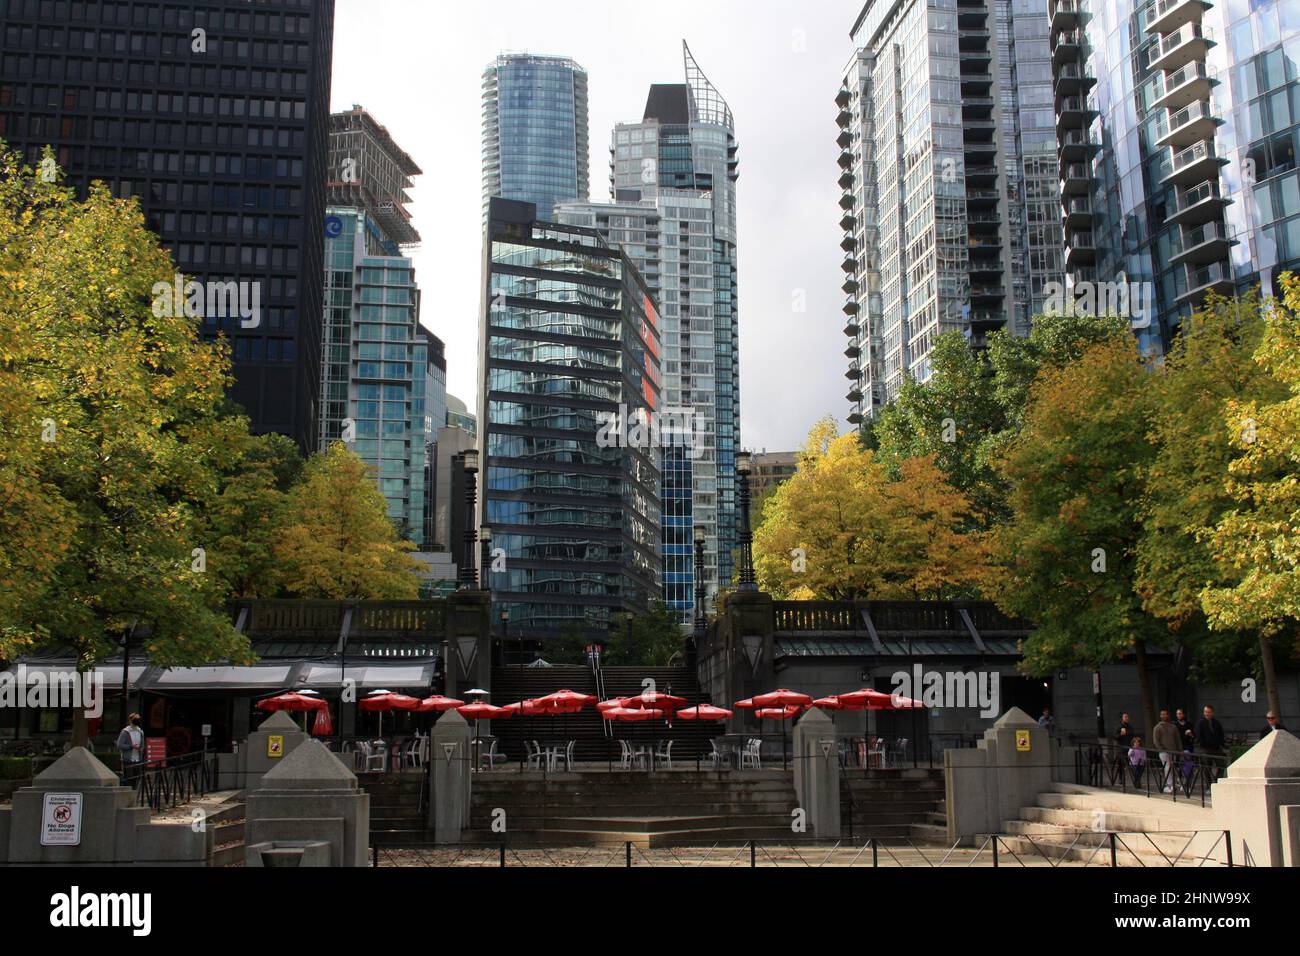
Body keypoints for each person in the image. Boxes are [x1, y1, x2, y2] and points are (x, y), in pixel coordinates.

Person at [1152, 709, 1181, 794]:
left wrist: (1180, 750)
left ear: (1168, 715)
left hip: (1174, 751)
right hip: (1163, 751)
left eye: (1165, 714)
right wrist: (1161, 748)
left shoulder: (1173, 727)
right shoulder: (1157, 727)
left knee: (1173, 768)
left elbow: (1177, 739)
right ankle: (1169, 785)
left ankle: (1173, 784)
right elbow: (1156, 740)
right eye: (1162, 714)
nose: (1164, 716)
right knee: (1167, 767)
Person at [1194, 705, 1227, 781]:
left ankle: (1217, 781)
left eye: (1209, 712)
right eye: (1205, 712)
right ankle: (1209, 785)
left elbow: (1221, 734)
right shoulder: (1200, 723)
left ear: (1212, 713)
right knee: (1207, 768)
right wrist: (1204, 744)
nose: (1207, 714)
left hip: (1216, 748)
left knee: (1222, 765)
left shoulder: (1216, 722)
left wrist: (1221, 744)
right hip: (1205, 749)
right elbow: (1199, 736)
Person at [116, 712, 144, 782]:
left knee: (137, 780)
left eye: (139, 718)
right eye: (136, 719)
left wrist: (141, 748)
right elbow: (119, 745)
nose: (138, 720)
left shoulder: (140, 732)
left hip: (138, 760)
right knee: (128, 780)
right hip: (128, 760)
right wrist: (131, 746)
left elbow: (142, 745)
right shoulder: (125, 732)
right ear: (131, 720)